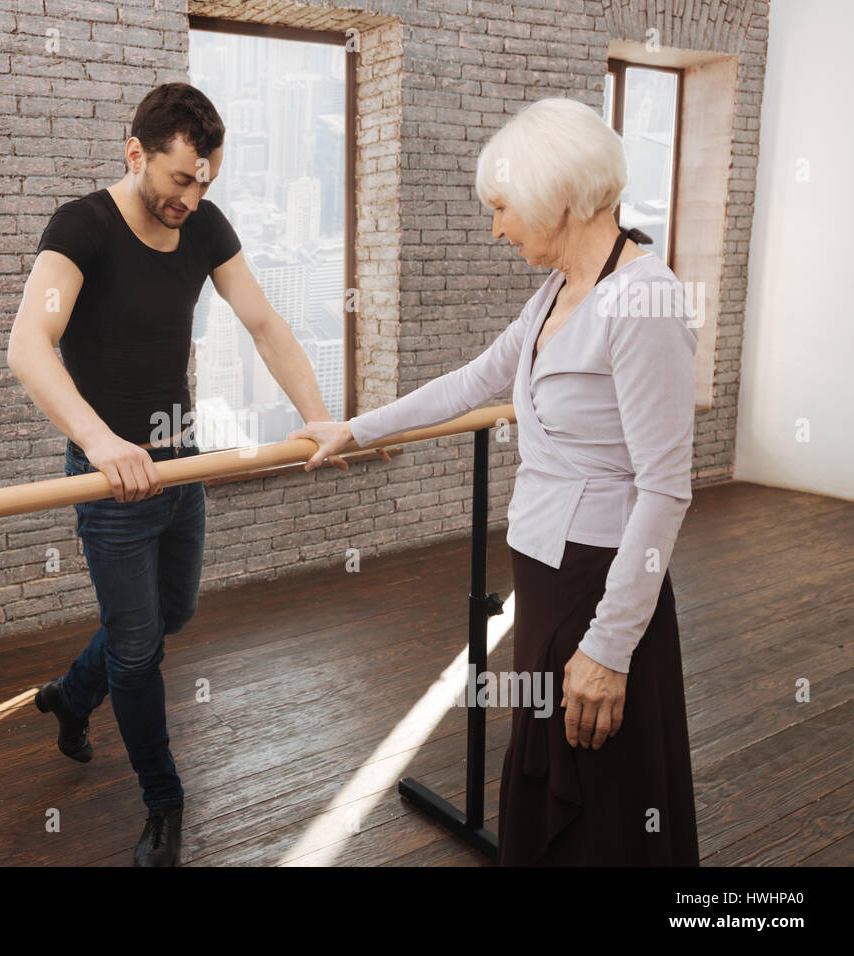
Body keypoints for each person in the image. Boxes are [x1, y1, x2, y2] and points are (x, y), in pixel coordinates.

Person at [291, 97, 700, 865]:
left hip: (600, 576)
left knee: (603, 786)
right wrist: (356, 427)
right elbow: (475, 378)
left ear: (556, 194)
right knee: (550, 757)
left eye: (504, 208)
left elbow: (666, 488)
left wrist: (610, 649)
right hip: (545, 566)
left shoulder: (643, 300)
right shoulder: (557, 291)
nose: (497, 229)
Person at [7, 82, 346, 866]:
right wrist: (99, 443)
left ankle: (70, 694)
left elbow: (264, 322)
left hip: (181, 466)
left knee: (169, 619)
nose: (191, 197)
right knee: (137, 649)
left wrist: (320, 414)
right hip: (111, 483)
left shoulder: (202, 226)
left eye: (206, 182)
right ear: (136, 154)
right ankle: (164, 804)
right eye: (180, 178)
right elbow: (30, 343)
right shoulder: (80, 229)